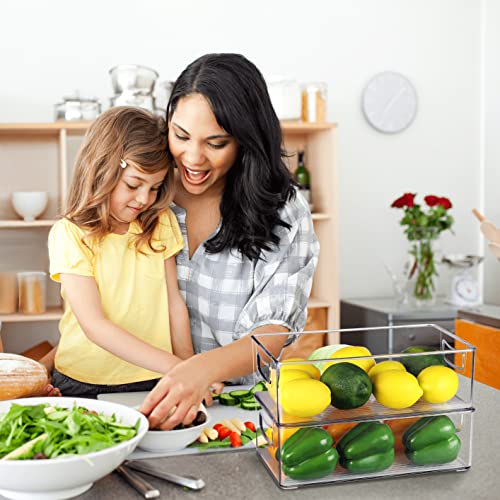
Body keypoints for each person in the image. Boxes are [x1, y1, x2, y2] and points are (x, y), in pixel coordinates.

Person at [139, 53, 320, 429]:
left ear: (246, 139)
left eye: (216, 143)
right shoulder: (146, 194)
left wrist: (198, 372)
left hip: (239, 414)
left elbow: (271, 332)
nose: (192, 157)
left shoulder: (283, 211)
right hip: (140, 400)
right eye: (180, 135)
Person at [47, 106, 194, 401]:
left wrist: (190, 369)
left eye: (154, 188)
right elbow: (95, 326)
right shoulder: (70, 233)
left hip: (152, 378)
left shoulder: (159, 221)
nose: (144, 199)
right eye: (133, 184)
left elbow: (174, 305)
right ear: (102, 170)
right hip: (83, 382)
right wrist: (176, 367)